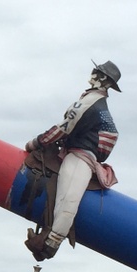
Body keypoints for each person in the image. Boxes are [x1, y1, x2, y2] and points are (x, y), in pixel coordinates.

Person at [22, 61, 121, 261]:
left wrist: (37, 142)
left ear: (102, 78)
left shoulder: (89, 102)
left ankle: (50, 244)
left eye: (96, 71)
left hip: (81, 155)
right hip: (82, 151)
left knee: (68, 200)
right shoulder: (94, 101)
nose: (92, 73)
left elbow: (64, 128)